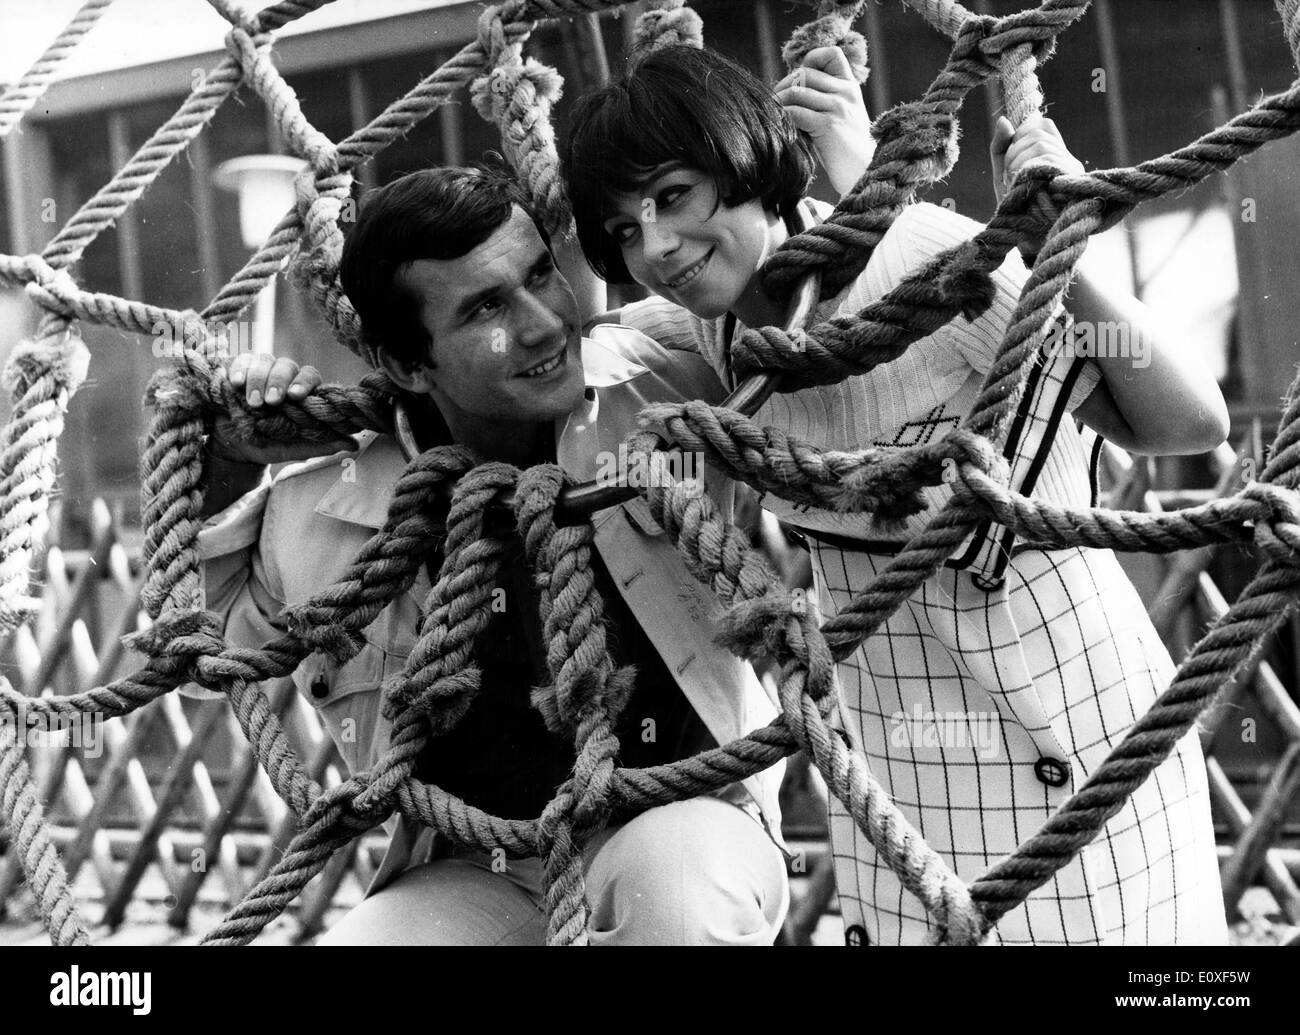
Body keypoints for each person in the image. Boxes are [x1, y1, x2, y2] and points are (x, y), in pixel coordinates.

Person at [561, 43, 1231, 945]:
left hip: (1070, 730)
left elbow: (1188, 422)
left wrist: (1056, 243)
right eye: (626, 232)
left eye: (674, 196)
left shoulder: (925, 262)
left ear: (744, 154)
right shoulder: (717, 332)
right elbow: (570, 362)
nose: (658, 247)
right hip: (901, 765)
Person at [194, 165, 789, 945]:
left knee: (671, 899)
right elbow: (208, 655)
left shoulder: (670, 386)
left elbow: (795, 319)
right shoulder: (325, 507)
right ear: (406, 363)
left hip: (684, 817)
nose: (545, 324)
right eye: (486, 308)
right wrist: (230, 456)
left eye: (541, 273)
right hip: (478, 869)